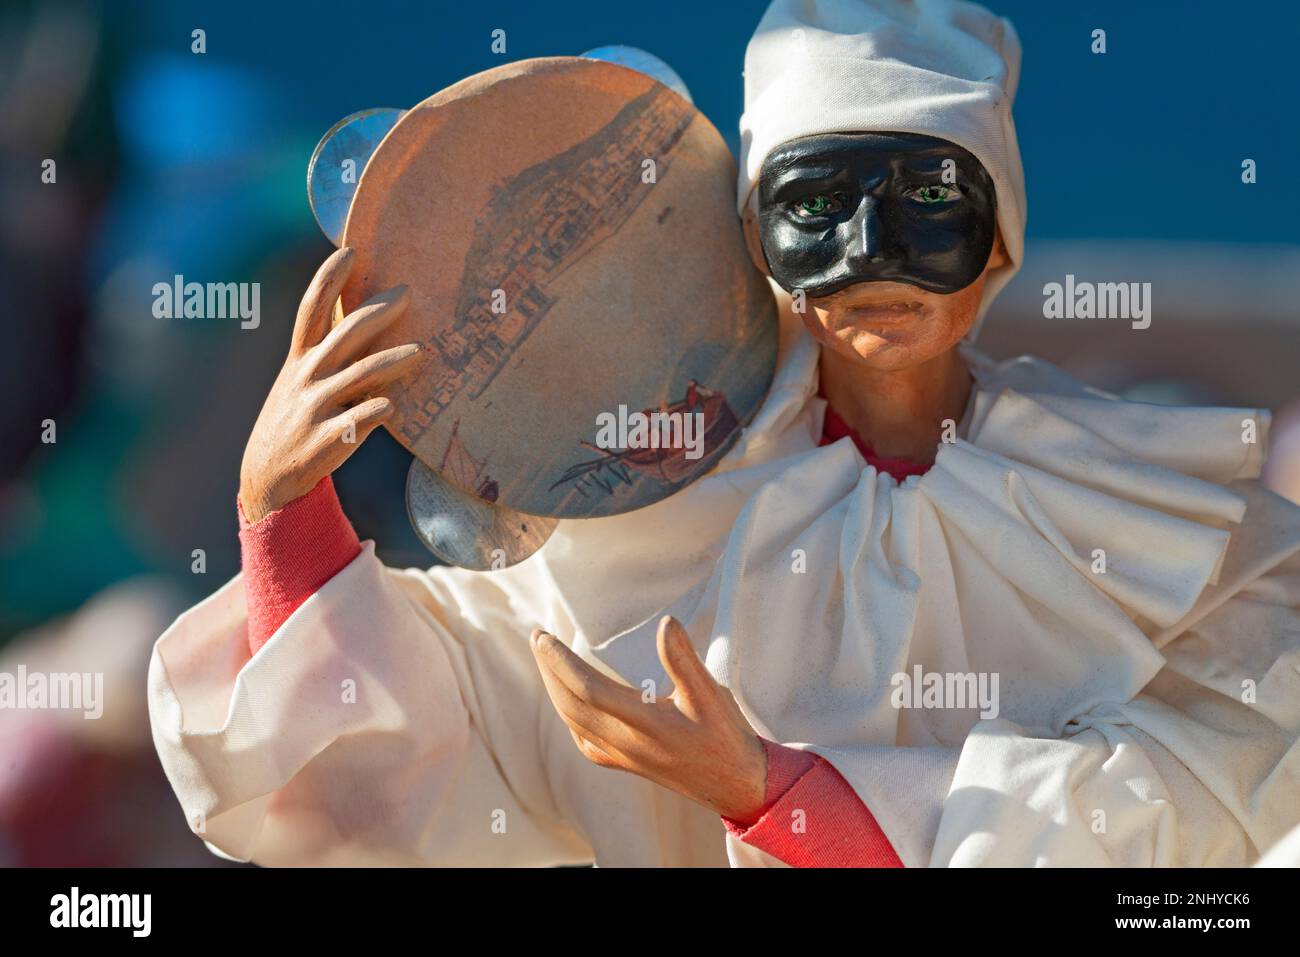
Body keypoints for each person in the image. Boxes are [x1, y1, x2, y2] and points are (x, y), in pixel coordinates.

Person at [147, 0, 1300, 867]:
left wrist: (781, 792)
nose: (870, 249)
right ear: (752, 237)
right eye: (813, 203)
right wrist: (281, 517)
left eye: (928, 199)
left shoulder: (1166, 522)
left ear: (1000, 236)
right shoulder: (610, 543)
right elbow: (398, 766)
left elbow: (1213, 804)